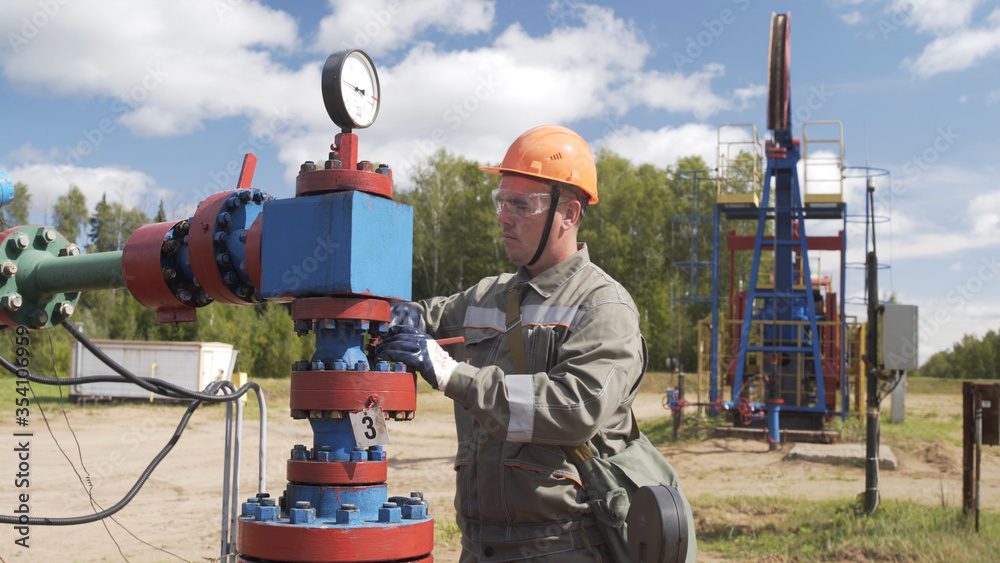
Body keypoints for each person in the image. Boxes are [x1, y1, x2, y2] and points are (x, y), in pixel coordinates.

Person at [377, 125, 693, 562]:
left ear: (569, 213)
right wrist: (400, 315)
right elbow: (427, 318)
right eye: (501, 201)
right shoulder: (489, 295)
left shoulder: (603, 307)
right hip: (479, 545)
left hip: (562, 546)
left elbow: (573, 408)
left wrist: (452, 374)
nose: (503, 216)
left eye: (520, 205)